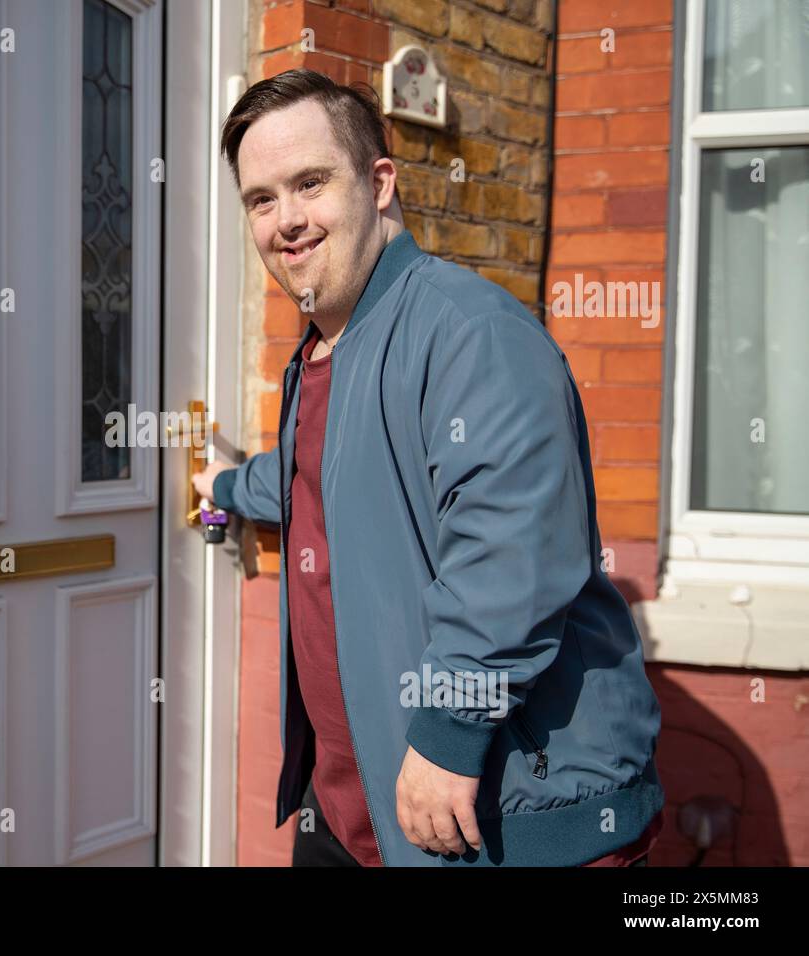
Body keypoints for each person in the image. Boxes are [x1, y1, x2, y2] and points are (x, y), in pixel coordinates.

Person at [193, 69, 665, 867]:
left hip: (497, 815)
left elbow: (511, 551)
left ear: (380, 184)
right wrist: (229, 486)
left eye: (310, 183)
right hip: (352, 811)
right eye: (261, 199)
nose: (287, 220)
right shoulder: (323, 357)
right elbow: (318, 477)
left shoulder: (466, 332)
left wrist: (448, 734)